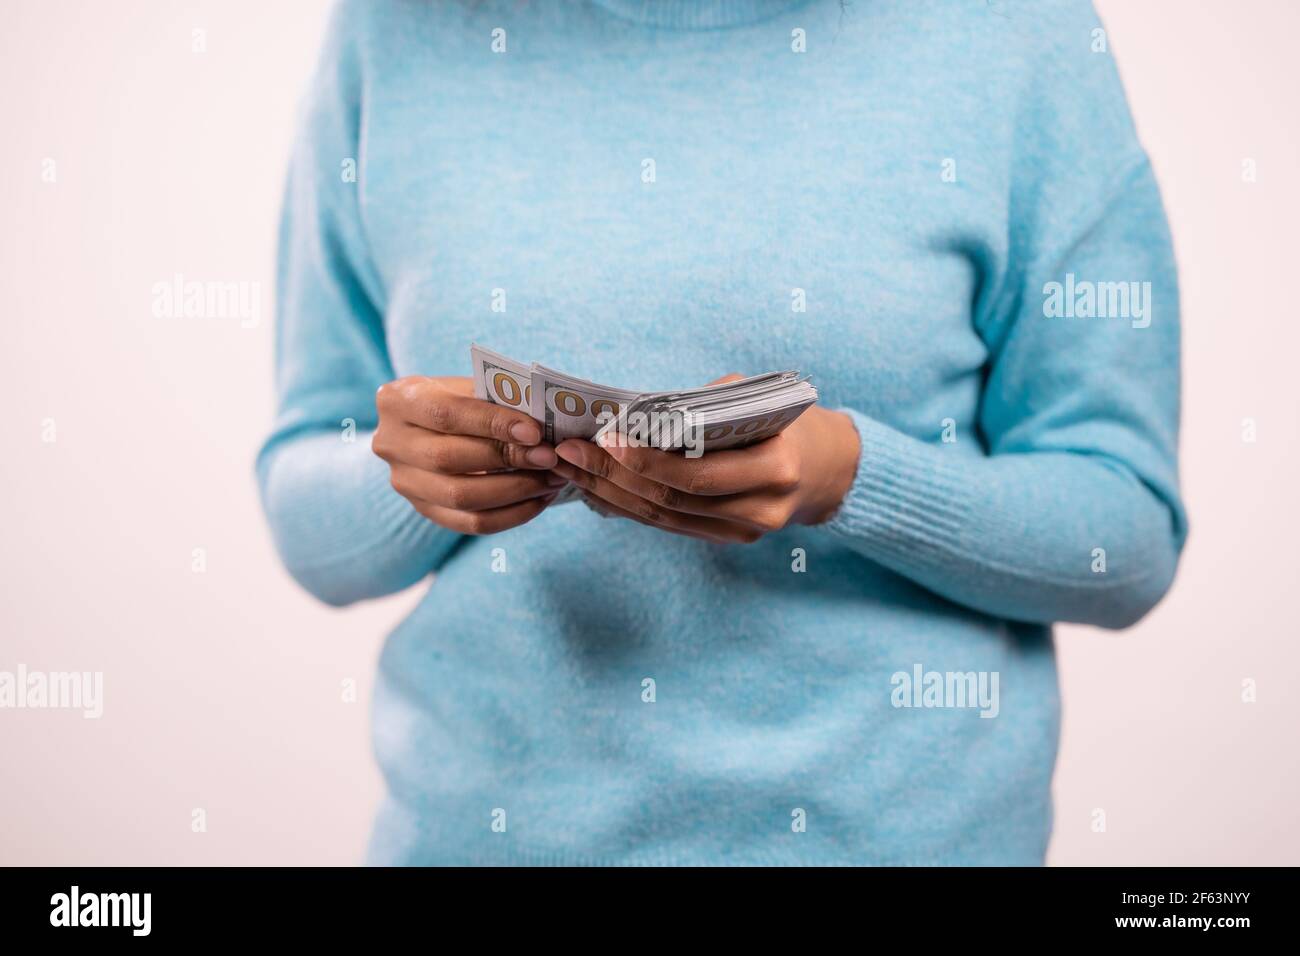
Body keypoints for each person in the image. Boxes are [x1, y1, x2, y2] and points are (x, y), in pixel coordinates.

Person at [258, 0, 1186, 865]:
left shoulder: (1019, 34)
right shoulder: (392, 31)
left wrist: (852, 480)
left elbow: (1127, 533)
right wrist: (414, 482)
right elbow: (307, 517)